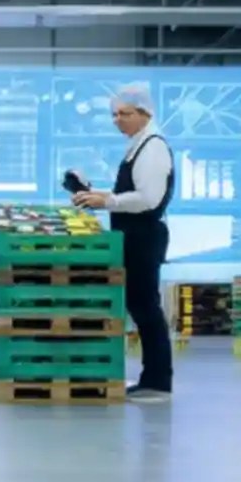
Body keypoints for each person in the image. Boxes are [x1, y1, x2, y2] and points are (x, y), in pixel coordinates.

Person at [72, 86, 174, 402]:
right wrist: (99, 196)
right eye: (114, 115)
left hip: (144, 237)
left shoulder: (154, 148)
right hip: (132, 236)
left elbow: (147, 198)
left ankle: (157, 381)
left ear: (145, 113)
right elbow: (131, 194)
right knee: (139, 306)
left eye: (125, 114)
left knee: (146, 308)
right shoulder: (137, 146)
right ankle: (151, 377)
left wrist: (109, 201)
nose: (118, 120)